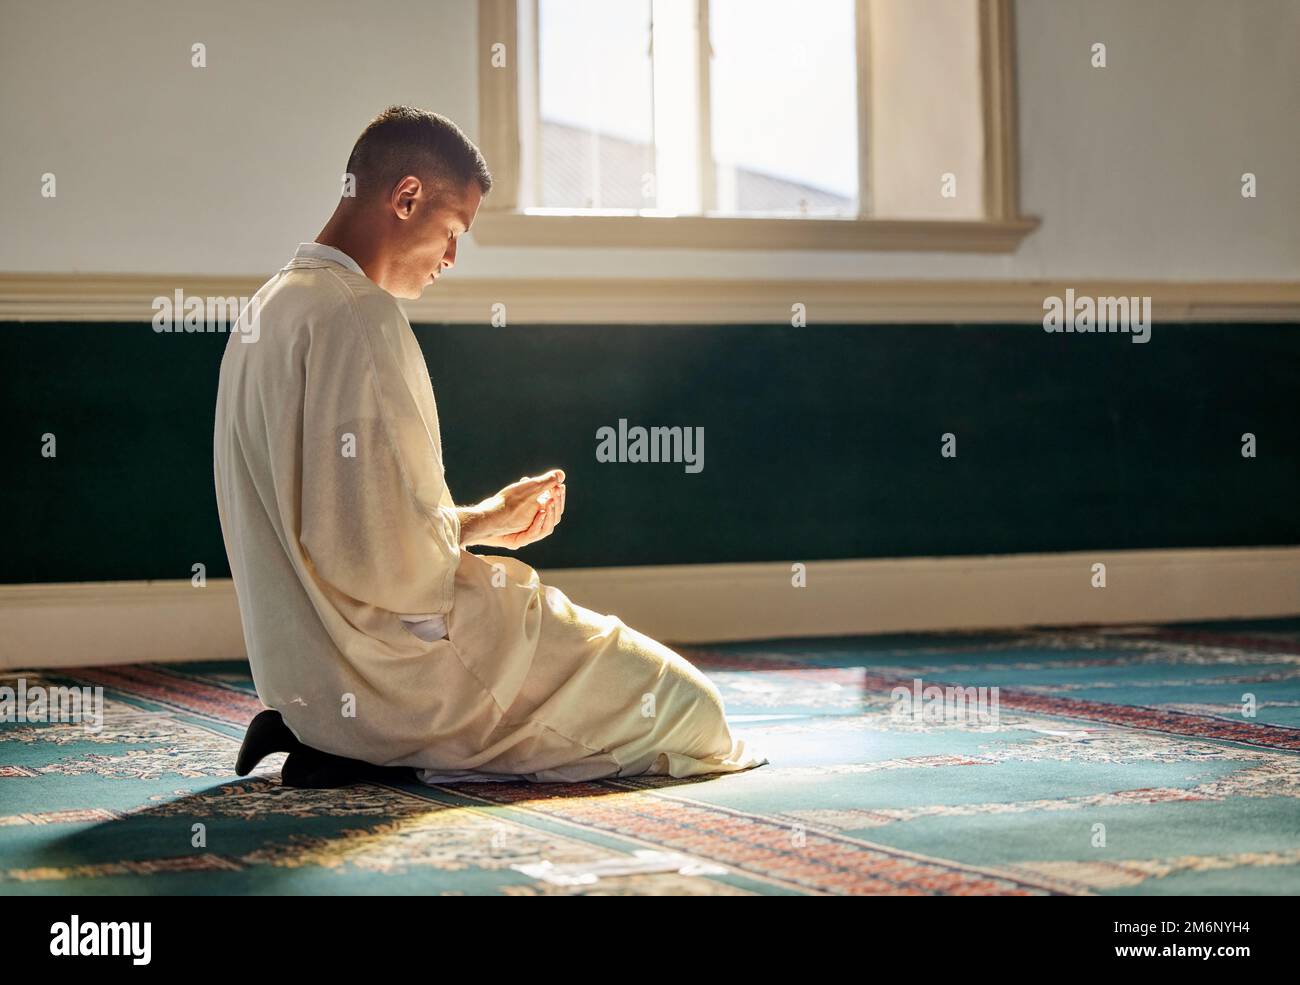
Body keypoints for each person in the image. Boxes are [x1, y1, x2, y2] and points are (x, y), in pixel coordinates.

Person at [216, 106, 766, 787]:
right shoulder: (358, 316)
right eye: (453, 231)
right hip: (400, 680)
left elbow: (346, 533)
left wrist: (482, 520)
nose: (451, 257)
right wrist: (475, 562)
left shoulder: (268, 309)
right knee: (692, 712)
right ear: (406, 197)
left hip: (312, 682)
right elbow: (399, 572)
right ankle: (398, 746)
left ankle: (352, 738)